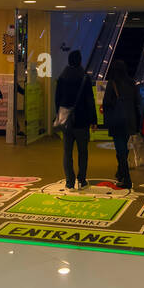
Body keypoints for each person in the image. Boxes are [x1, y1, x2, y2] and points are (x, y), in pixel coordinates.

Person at [54, 49, 97, 189]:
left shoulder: (62, 77)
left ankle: (69, 182)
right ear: (79, 61)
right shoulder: (84, 77)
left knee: (67, 152)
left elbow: (57, 100)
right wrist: (94, 120)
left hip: (66, 122)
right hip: (82, 121)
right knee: (83, 152)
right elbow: (90, 100)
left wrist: (59, 117)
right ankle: (82, 180)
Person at [102, 59, 141, 188]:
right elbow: (137, 102)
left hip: (117, 121)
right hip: (129, 120)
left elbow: (107, 102)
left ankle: (127, 180)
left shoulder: (113, 84)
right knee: (123, 147)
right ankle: (120, 173)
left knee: (121, 150)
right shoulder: (132, 83)